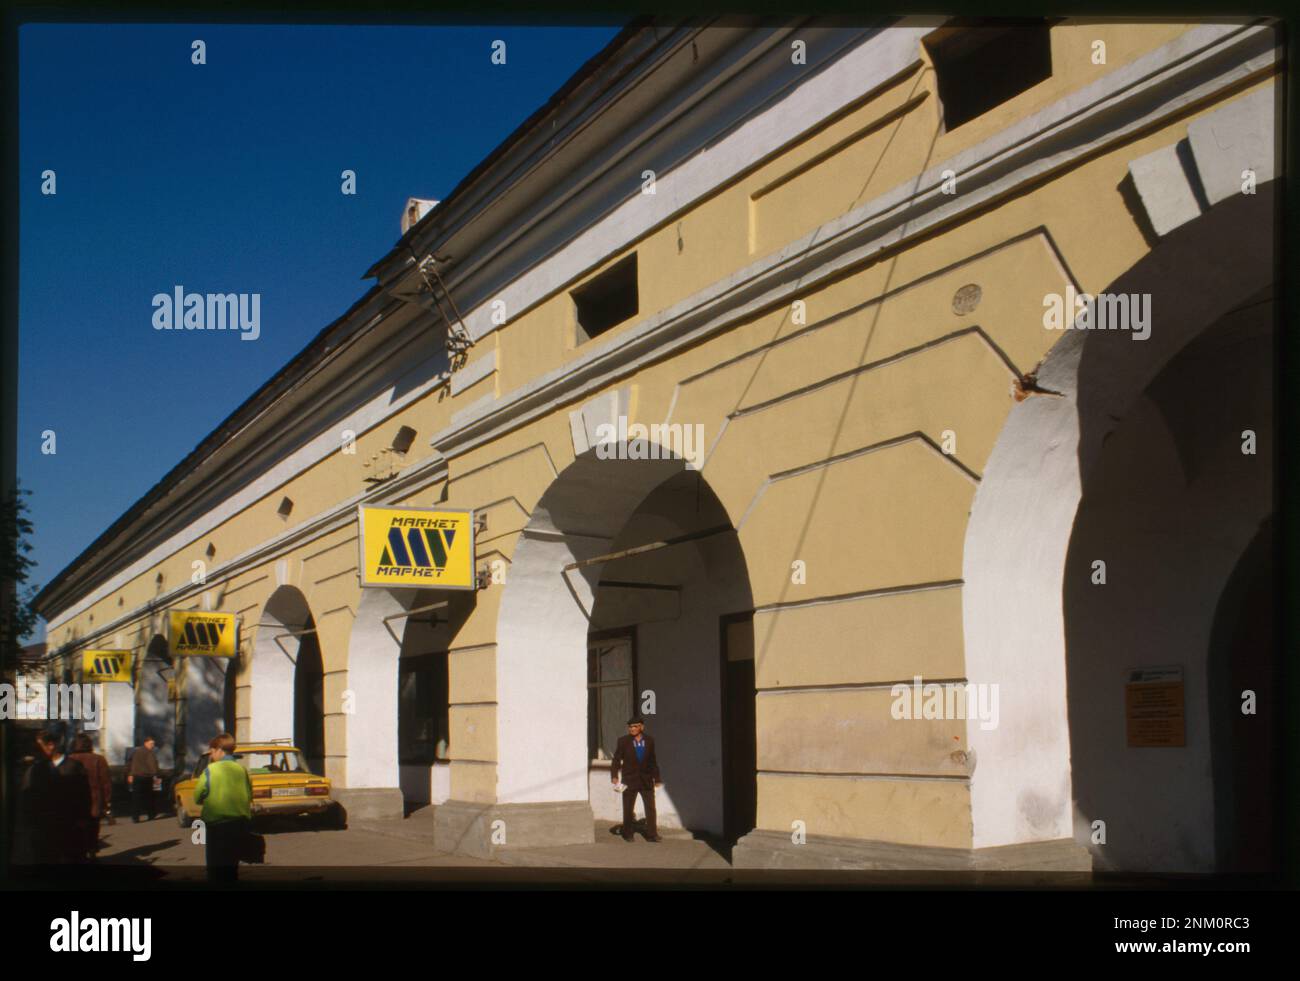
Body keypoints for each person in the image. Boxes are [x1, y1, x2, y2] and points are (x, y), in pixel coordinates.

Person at [14, 729, 92, 864]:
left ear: (51, 745)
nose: (36, 751)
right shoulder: (36, 769)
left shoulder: (73, 767)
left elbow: (84, 796)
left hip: (68, 826)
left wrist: (82, 820)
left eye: (39, 746)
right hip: (43, 827)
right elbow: (27, 797)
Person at [195, 732, 253, 883]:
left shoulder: (210, 770)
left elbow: (197, 796)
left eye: (212, 752)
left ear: (219, 750)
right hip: (239, 824)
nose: (211, 756)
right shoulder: (242, 770)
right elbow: (249, 795)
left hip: (216, 825)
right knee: (232, 866)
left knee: (215, 867)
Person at [610, 716, 662, 842]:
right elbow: (616, 759)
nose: (632, 729)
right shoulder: (623, 741)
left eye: (635, 726)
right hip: (629, 780)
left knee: (650, 808)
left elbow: (652, 761)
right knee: (628, 808)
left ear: (641, 727)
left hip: (646, 781)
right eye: (630, 727)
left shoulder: (649, 741)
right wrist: (614, 775)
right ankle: (628, 833)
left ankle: (652, 834)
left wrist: (657, 778)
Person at [69, 734, 113, 857]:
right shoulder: (98, 759)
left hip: (74, 802)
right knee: (93, 829)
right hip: (95, 800)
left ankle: (78, 854)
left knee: (76, 829)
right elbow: (106, 783)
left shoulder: (69, 759)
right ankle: (92, 852)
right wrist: (107, 801)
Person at [127, 736, 159, 821]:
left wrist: (130, 774)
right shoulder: (150, 753)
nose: (153, 745)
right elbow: (152, 765)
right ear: (146, 743)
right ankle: (151, 814)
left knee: (136, 798)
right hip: (147, 777)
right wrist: (156, 774)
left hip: (136, 777)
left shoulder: (136, 752)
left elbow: (130, 763)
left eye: (153, 744)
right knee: (149, 797)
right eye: (151, 743)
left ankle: (135, 817)